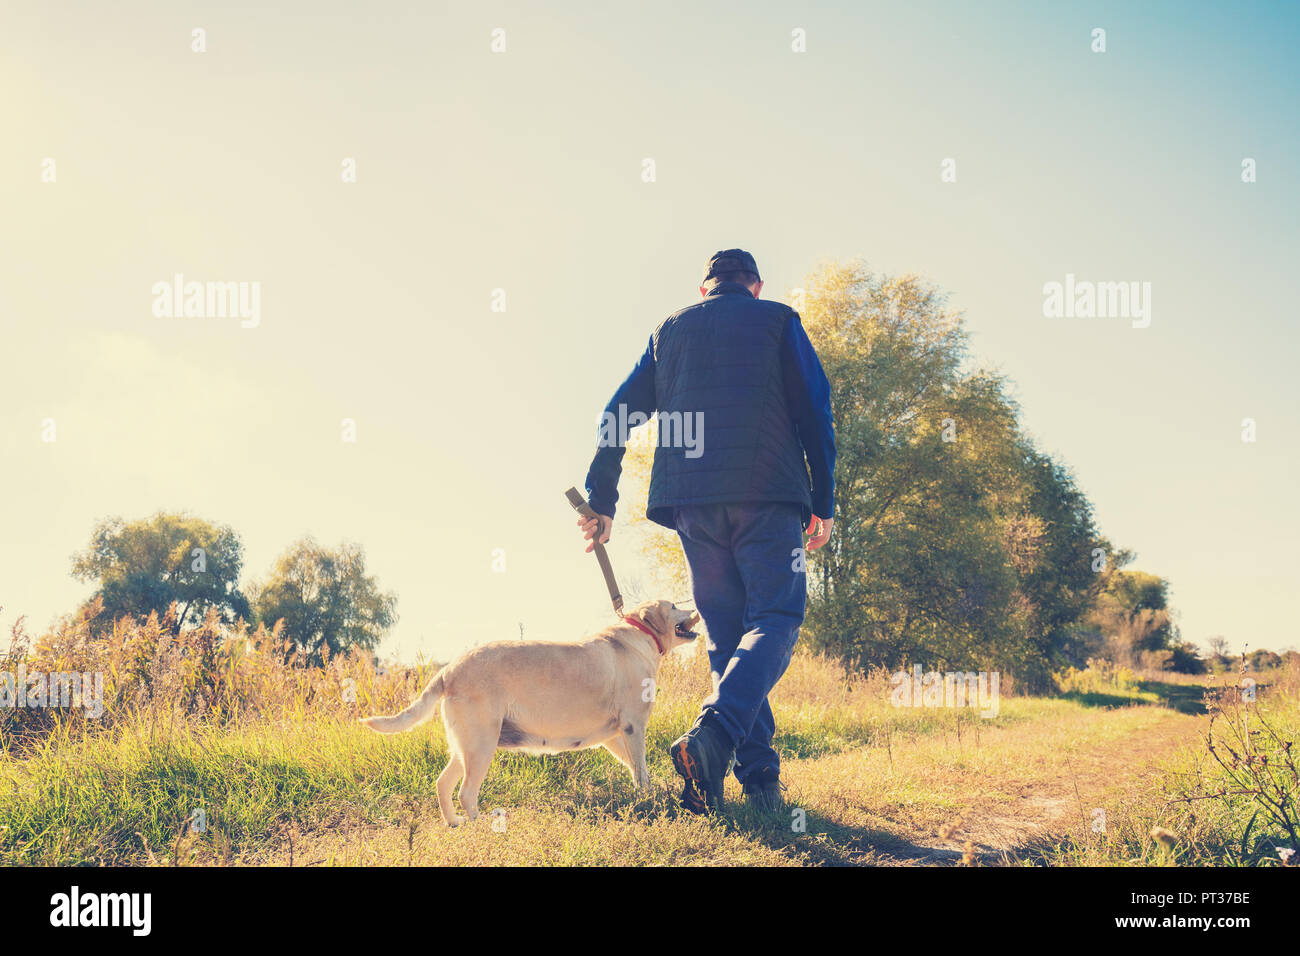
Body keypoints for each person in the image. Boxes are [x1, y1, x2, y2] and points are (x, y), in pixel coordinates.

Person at [579, 249, 836, 814]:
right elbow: (816, 410)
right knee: (776, 617)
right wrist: (824, 501)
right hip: (767, 494)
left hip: (692, 501)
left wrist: (602, 500)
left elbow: (616, 413)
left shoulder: (668, 332)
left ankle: (757, 781)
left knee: (727, 635)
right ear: (756, 287)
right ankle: (714, 734)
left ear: (704, 291)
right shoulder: (778, 321)